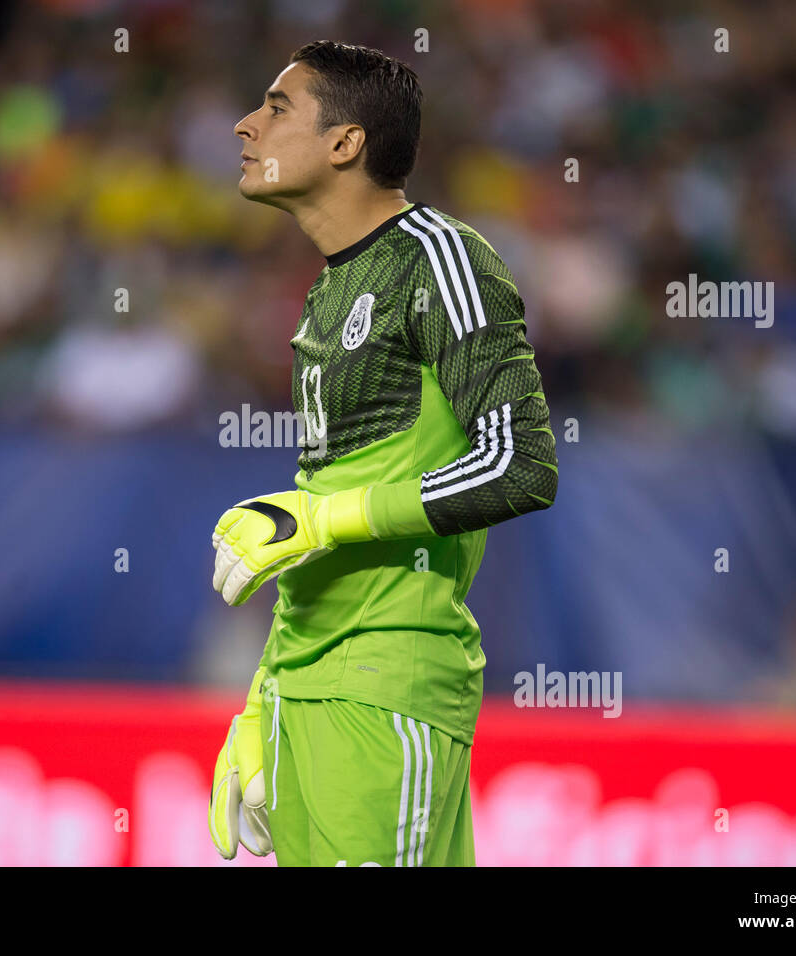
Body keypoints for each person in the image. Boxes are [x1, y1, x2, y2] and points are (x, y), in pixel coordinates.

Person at [208, 40, 558, 866]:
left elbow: (522, 464)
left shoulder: (442, 258)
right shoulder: (329, 292)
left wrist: (326, 517)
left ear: (345, 142)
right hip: (310, 685)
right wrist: (260, 703)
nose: (244, 126)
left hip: (389, 686)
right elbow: (318, 517)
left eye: (277, 107)